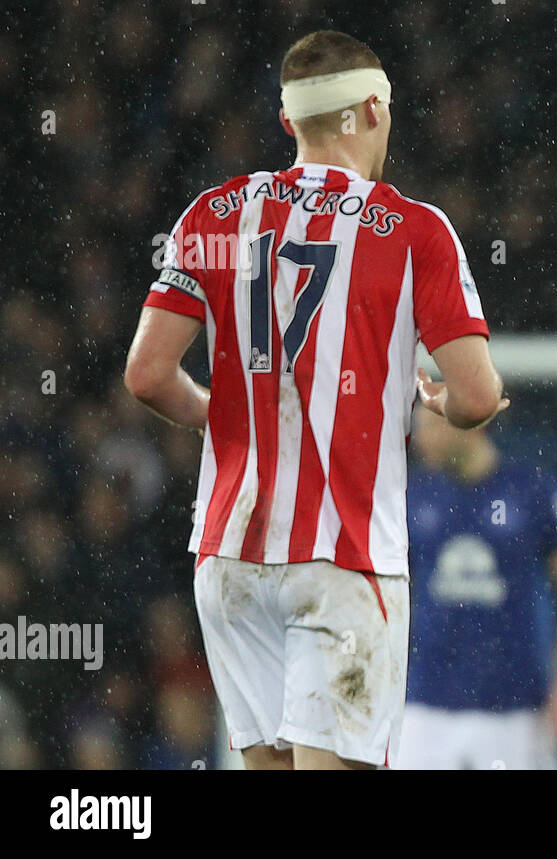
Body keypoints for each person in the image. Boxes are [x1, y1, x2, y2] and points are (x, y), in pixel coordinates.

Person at [123, 30, 507, 770]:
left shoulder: (213, 214)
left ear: (288, 122)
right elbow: (477, 393)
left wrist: (233, 420)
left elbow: (145, 374)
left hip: (229, 556)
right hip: (344, 557)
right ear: (369, 109)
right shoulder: (415, 230)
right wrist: (452, 408)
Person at [395, 407, 557, 769]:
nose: (423, 438)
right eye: (420, 427)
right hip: (424, 704)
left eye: (435, 425)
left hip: (516, 707)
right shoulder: (411, 496)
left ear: (473, 422)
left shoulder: (535, 490)